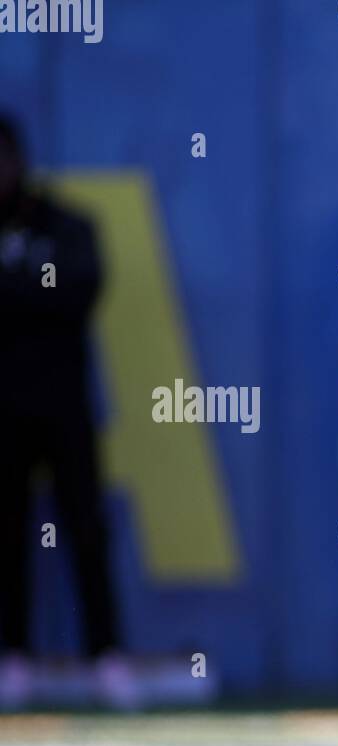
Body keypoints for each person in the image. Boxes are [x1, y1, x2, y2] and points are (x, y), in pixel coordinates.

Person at [0, 112, 136, 711]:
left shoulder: (67, 223)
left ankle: (107, 657)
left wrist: (17, 289)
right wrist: (30, 291)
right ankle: (14, 658)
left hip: (64, 408)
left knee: (86, 529)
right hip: (1, 415)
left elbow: (77, 295)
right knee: (6, 536)